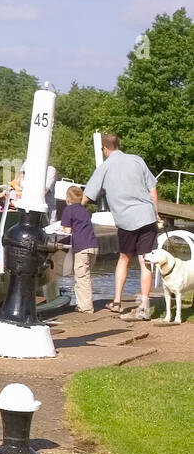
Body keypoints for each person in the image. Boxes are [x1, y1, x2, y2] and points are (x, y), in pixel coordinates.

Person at [82, 133, 163, 318]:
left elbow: (88, 194)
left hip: (126, 220)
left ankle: (117, 302)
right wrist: (156, 213)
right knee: (145, 262)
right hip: (146, 216)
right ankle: (143, 306)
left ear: (104, 149)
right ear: (118, 144)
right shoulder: (137, 160)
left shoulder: (105, 167)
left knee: (124, 258)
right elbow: (152, 189)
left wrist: (74, 212)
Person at [55, 185, 97, 313]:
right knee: (86, 276)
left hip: (81, 248)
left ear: (67, 199)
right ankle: (82, 303)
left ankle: (85, 308)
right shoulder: (84, 211)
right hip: (93, 246)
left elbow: (67, 231)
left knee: (81, 277)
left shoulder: (69, 210)